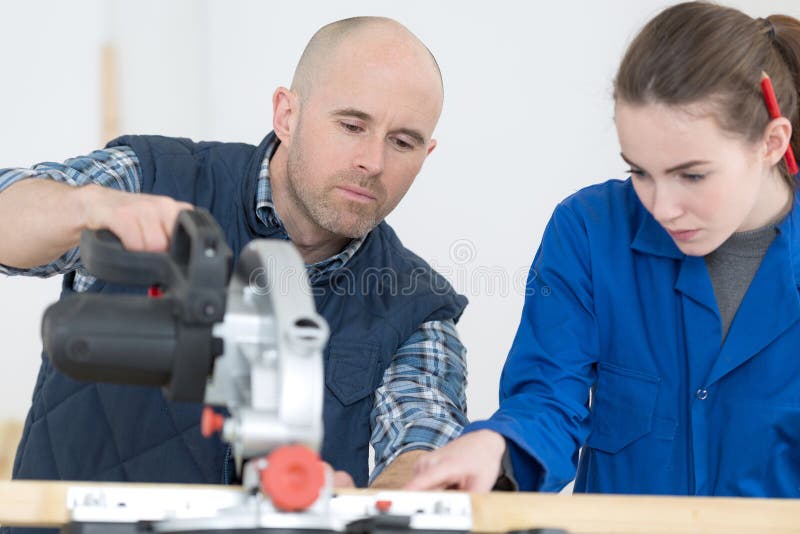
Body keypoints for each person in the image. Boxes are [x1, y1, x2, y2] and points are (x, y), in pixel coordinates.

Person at [0, 16, 468, 500]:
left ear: (426, 153)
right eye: (352, 125)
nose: (373, 161)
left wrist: (369, 504)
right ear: (287, 114)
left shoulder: (417, 306)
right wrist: (87, 206)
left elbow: (426, 451)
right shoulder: (156, 176)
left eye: (402, 142)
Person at [406, 1, 800, 496]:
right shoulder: (589, 230)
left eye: (691, 175)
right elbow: (549, 399)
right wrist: (495, 448)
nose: (661, 207)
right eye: (639, 171)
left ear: (770, 142)